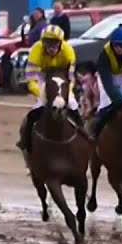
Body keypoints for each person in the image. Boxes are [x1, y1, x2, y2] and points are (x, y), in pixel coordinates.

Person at [16, 24, 85, 153]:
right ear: (43, 43)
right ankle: (26, 142)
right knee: (35, 111)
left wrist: (66, 93)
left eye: (54, 44)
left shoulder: (68, 51)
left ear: (60, 43)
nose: (51, 48)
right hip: (43, 77)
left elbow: (71, 78)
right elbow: (31, 78)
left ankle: (84, 136)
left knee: (73, 104)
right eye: (48, 43)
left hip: (63, 78)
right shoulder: (36, 50)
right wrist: (43, 94)